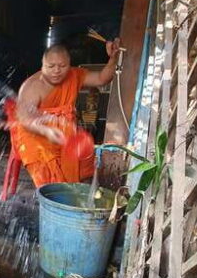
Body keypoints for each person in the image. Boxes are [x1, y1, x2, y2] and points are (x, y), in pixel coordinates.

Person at [10, 39, 121, 188]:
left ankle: (76, 191)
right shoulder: (32, 86)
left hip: (63, 133)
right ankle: (54, 198)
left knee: (85, 153)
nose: (57, 70)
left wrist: (113, 58)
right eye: (51, 66)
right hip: (36, 136)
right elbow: (24, 119)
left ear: (69, 65)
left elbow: (103, 79)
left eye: (62, 66)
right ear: (43, 64)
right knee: (50, 179)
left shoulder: (74, 75)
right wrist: (47, 130)